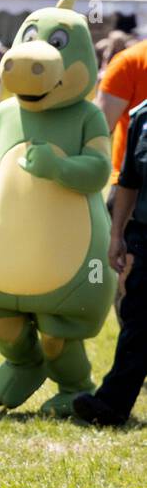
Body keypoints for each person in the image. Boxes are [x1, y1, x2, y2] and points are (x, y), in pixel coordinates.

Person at [74, 98, 147, 426]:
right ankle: (113, 404)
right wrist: (117, 234)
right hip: (145, 236)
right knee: (138, 319)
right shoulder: (141, 117)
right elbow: (129, 182)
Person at [96, 37, 147, 185]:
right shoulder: (131, 61)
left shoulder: (130, 61)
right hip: (131, 181)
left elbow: (99, 128)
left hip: (131, 188)